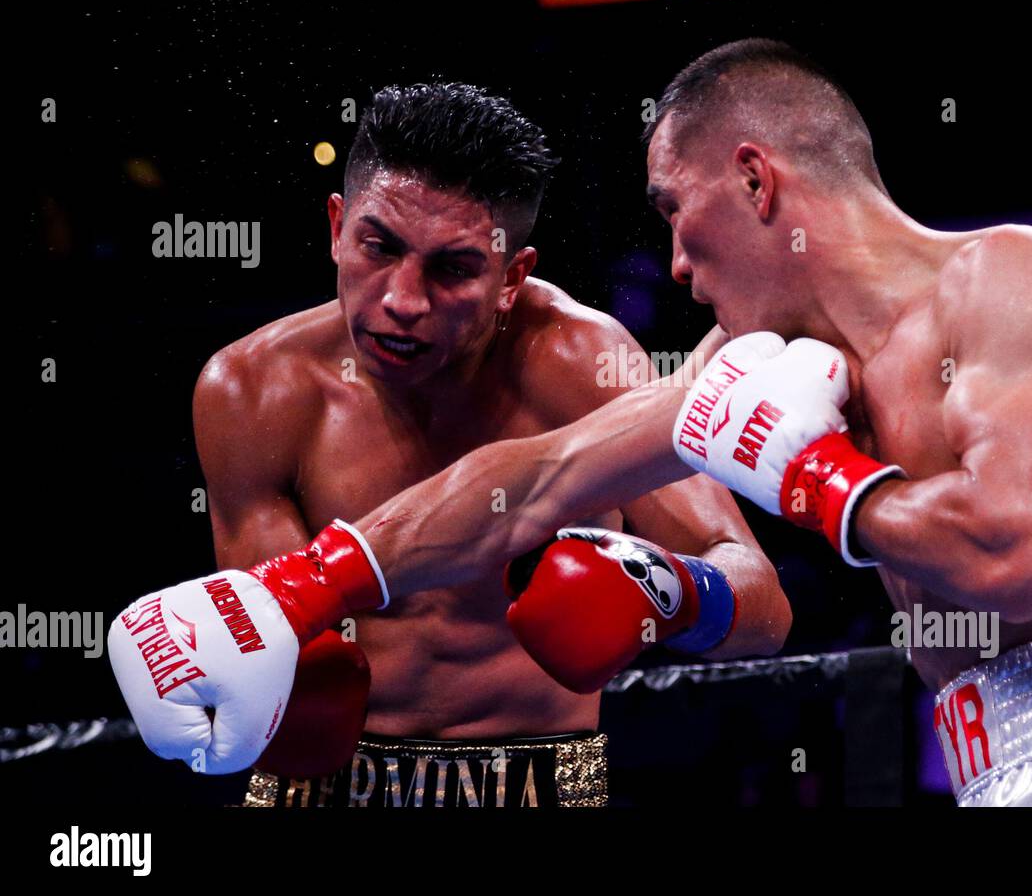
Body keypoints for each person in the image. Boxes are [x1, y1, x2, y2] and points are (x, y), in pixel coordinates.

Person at [109, 82, 788, 808]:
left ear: (511, 277)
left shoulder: (583, 367)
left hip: (536, 784)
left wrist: (675, 593)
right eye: (379, 247)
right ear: (337, 227)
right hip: (321, 788)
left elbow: (763, 604)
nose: (403, 300)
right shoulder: (253, 391)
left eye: (454, 269)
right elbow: (266, 639)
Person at [649, 39, 1032, 806]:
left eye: (674, 208)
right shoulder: (768, 364)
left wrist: (818, 478)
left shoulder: (1014, 277)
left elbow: (1014, 556)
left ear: (753, 178)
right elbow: (560, 465)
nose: (674, 262)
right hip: (1003, 771)